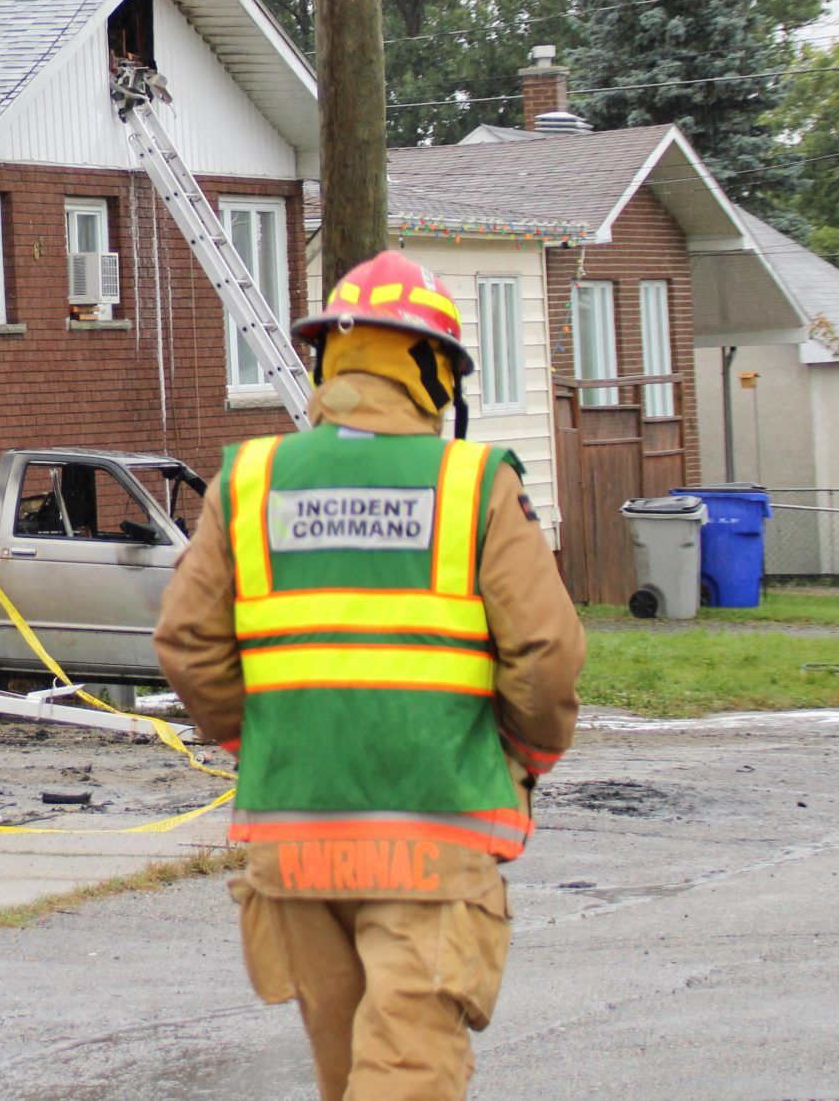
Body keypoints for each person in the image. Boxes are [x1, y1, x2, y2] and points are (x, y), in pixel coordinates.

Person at [155, 250, 584, 1101]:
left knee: (348, 1077)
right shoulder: (474, 485)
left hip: (296, 848)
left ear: (330, 359)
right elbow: (546, 653)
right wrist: (526, 755)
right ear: (434, 374)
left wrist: (260, 734)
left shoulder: (251, 479)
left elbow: (186, 640)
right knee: (406, 1079)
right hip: (437, 839)